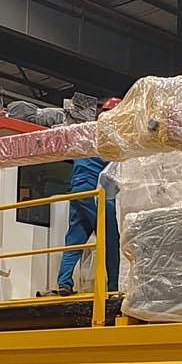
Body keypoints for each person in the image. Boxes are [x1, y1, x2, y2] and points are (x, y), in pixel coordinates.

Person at [55, 98, 122, 295]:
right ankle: (113, 287)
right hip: (96, 193)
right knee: (110, 239)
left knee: (75, 238)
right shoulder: (112, 136)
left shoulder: (87, 132)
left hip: (78, 191)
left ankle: (64, 282)